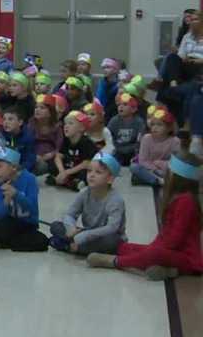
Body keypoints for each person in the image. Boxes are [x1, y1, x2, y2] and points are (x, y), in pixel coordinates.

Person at [88, 151, 203, 280]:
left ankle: (114, 262)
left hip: (187, 258)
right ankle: (169, 271)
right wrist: (150, 248)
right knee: (127, 247)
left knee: (154, 253)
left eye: (169, 170)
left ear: (177, 177)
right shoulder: (178, 198)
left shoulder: (186, 201)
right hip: (171, 252)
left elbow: (174, 240)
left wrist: (151, 250)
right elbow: (165, 236)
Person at [48, 153, 126, 255]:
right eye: (89, 171)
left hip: (105, 236)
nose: (91, 175)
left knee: (112, 241)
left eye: (98, 172)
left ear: (110, 179)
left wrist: (85, 235)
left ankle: (70, 247)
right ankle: (74, 246)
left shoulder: (115, 200)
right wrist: (71, 229)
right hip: (85, 233)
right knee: (55, 226)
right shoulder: (84, 192)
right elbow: (70, 214)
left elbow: (112, 228)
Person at [0, 146, 48, 252]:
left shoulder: (30, 179)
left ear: (14, 167)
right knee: (0, 227)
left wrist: (16, 194)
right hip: (7, 223)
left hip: (27, 224)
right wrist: (6, 200)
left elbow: (32, 210)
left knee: (42, 241)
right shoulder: (0, 183)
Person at [132, 105, 177, 187]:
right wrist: (155, 169)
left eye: (159, 125)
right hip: (150, 169)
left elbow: (175, 162)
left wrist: (161, 164)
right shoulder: (146, 138)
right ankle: (158, 181)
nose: (155, 128)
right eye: (153, 125)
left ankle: (148, 180)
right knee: (134, 167)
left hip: (165, 170)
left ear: (169, 128)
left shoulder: (175, 141)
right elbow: (143, 160)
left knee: (175, 173)